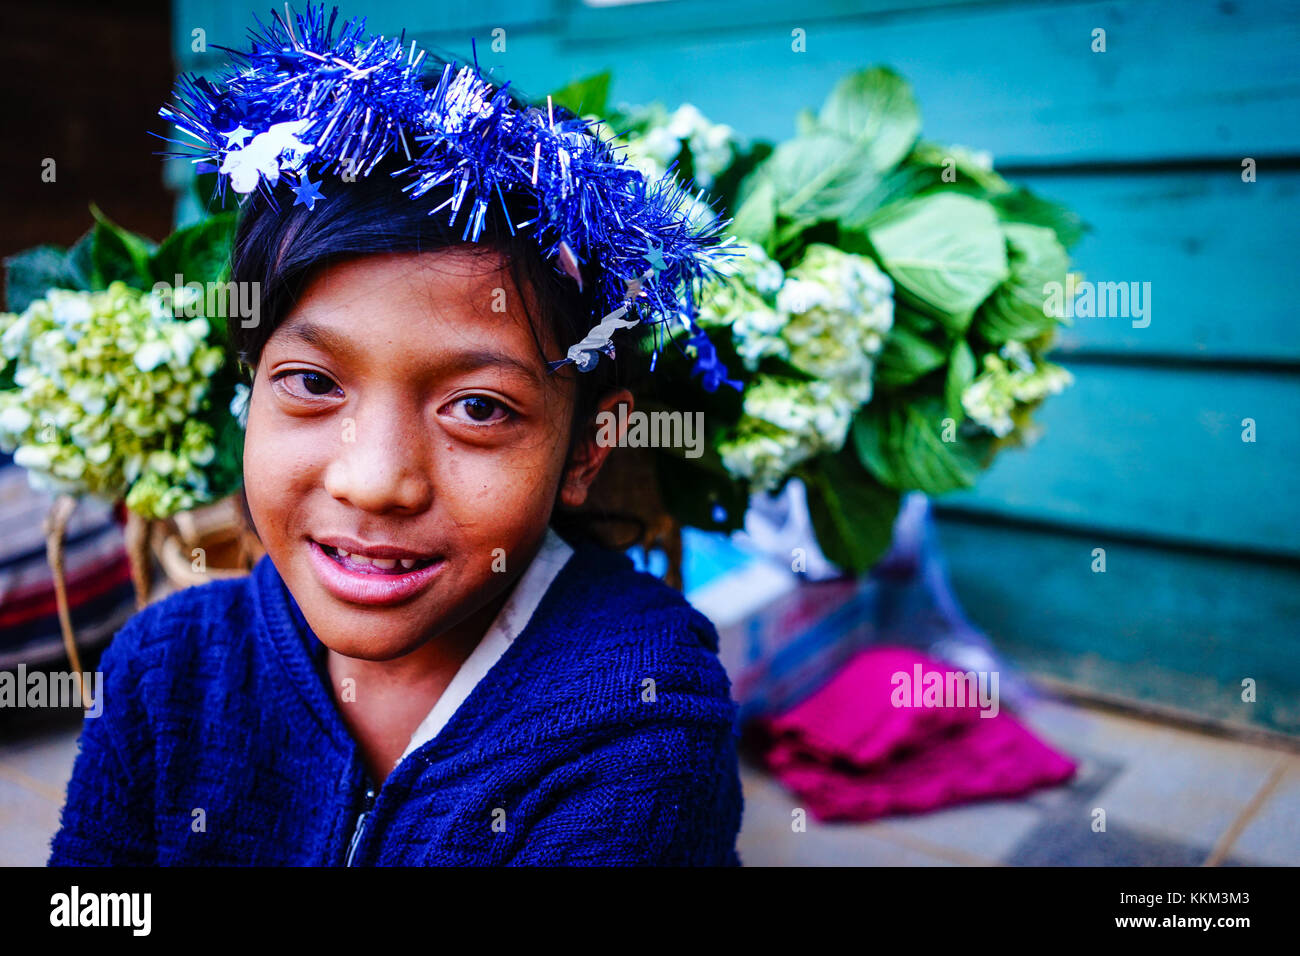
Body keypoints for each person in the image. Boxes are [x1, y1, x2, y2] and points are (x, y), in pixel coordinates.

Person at [48, 5, 743, 866]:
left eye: (479, 407)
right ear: (249, 390)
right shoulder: (166, 669)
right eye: (311, 383)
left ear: (589, 449)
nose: (376, 481)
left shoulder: (639, 725)